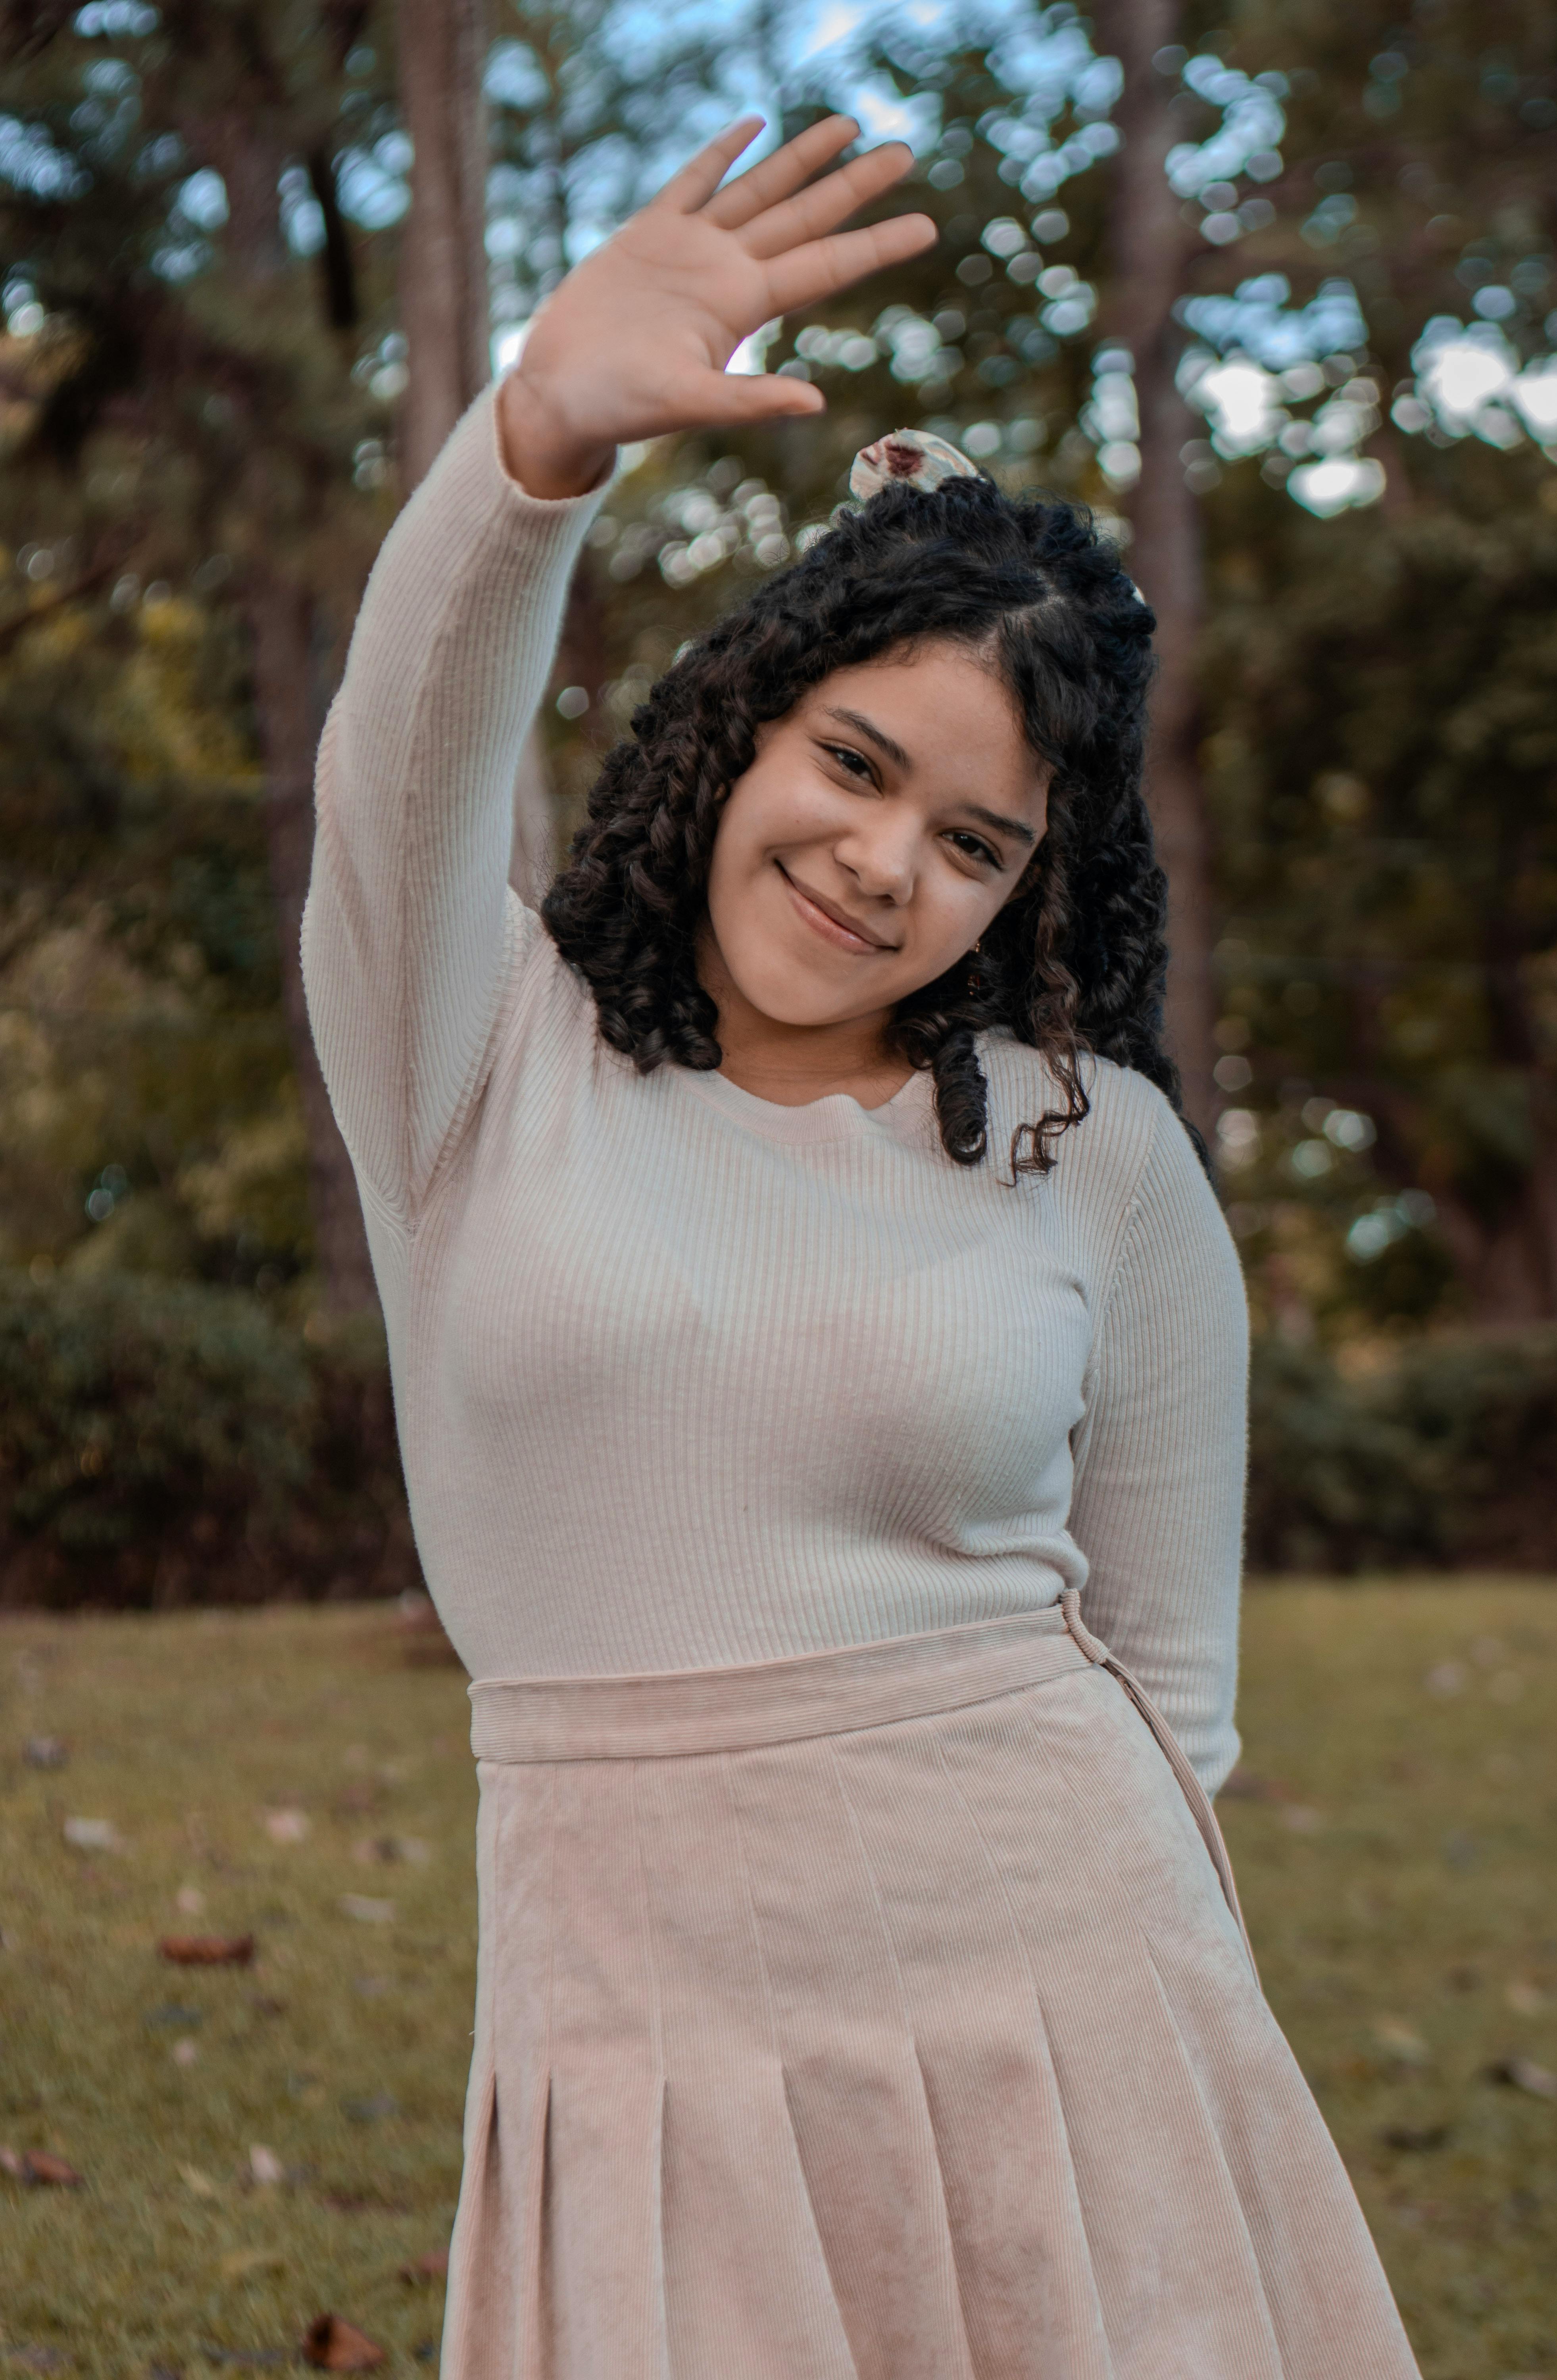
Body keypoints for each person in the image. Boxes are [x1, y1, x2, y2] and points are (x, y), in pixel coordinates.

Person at [303, 111, 1421, 2380]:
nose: (883, 862)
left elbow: (1168, 1683)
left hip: (1064, 1977)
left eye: (975, 840)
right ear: (737, 730)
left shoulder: (1086, 1152)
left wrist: (1145, 2040)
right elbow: (394, 766)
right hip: (640, 2021)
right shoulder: (480, 1061)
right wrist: (530, 451)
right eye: (850, 764)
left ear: (1030, 891)